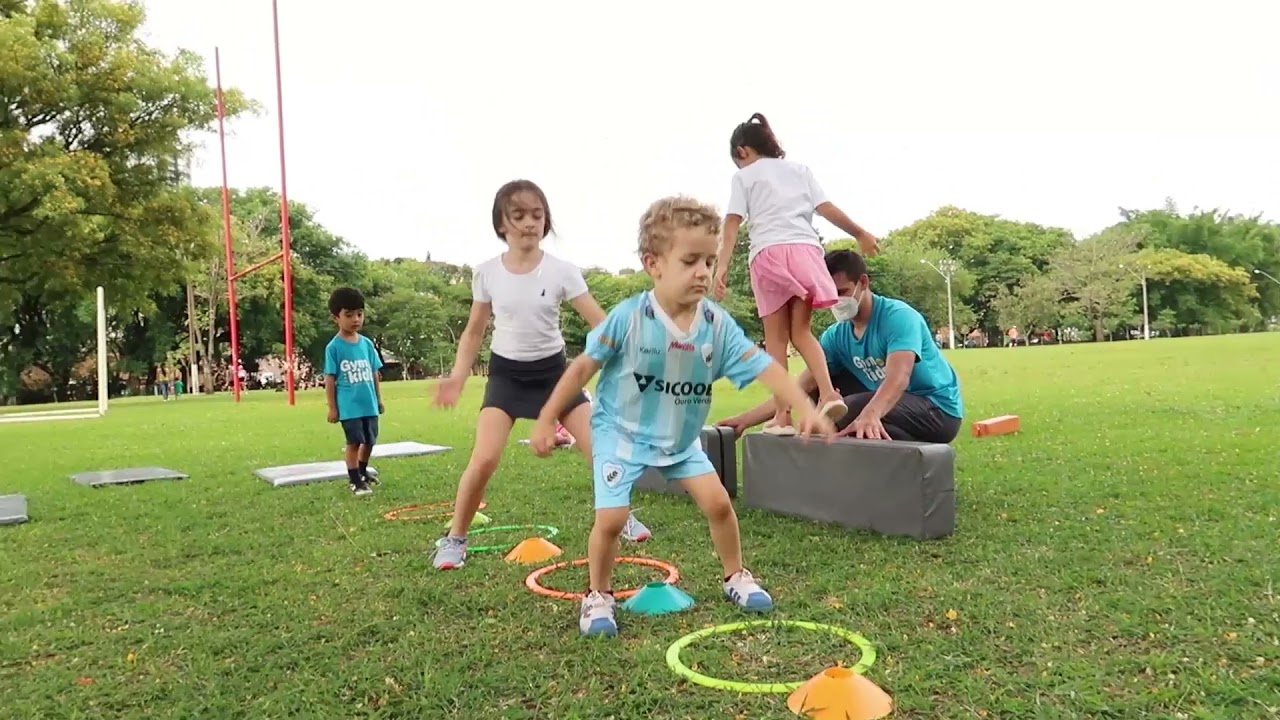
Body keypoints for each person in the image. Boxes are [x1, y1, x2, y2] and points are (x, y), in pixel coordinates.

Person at [531, 195, 837, 638]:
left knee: (718, 504)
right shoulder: (629, 318)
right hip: (620, 434)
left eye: (710, 261)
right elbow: (580, 368)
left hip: (679, 440)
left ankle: (735, 576)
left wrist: (805, 403)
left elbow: (766, 365)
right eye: (690, 260)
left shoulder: (717, 325)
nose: (703, 272)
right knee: (613, 521)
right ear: (653, 263)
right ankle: (598, 595)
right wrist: (547, 417)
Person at [431, 180, 650, 571]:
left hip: (555, 376)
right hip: (506, 379)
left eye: (537, 215)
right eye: (518, 216)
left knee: (601, 451)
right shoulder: (486, 274)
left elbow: (598, 320)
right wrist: (458, 377)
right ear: (502, 224)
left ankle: (622, 516)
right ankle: (454, 539)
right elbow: (474, 331)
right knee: (483, 460)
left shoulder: (562, 271)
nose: (529, 223)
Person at [711, 113, 882, 438]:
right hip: (807, 252)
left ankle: (781, 414)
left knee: (776, 340)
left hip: (768, 254)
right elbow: (827, 208)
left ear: (743, 150)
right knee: (801, 333)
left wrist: (722, 266)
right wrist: (860, 233)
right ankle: (830, 393)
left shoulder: (744, 178)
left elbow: (731, 223)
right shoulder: (800, 170)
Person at [719, 250, 964, 443]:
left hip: (937, 410)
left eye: (843, 291)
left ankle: (848, 437)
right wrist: (744, 420)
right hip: (893, 410)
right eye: (830, 294)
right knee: (820, 392)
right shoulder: (836, 336)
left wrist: (869, 413)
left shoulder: (898, 317)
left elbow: (898, 379)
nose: (837, 301)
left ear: (864, 282)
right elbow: (800, 387)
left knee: (850, 408)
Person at [324, 287, 385, 497]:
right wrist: (333, 408)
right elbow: (330, 379)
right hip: (349, 407)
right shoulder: (334, 347)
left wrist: (379, 399)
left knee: (370, 440)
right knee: (354, 442)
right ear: (336, 317)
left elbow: (375, 373)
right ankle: (354, 480)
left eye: (359, 314)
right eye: (348, 315)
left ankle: (362, 471)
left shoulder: (367, 344)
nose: (355, 319)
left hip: (368, 403)